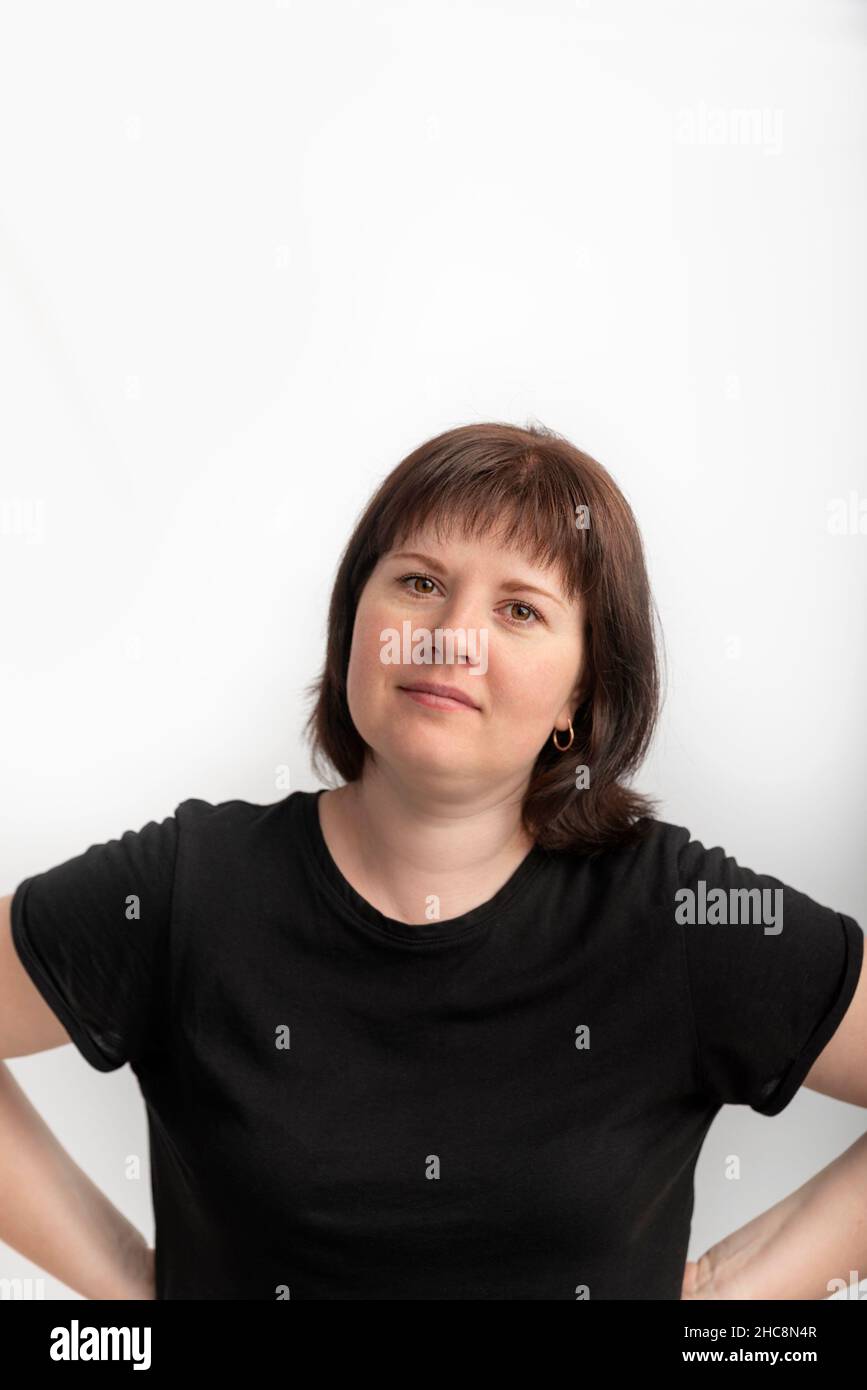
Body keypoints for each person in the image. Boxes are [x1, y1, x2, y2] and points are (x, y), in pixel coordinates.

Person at [1, 420, 865, 1301]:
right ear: (354, 624)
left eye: (520, 609)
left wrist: (725, 1299)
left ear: (582, 691)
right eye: (418, 583)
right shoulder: (188, 887)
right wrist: (128, 1292)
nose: (451, 637)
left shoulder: (677, 915)